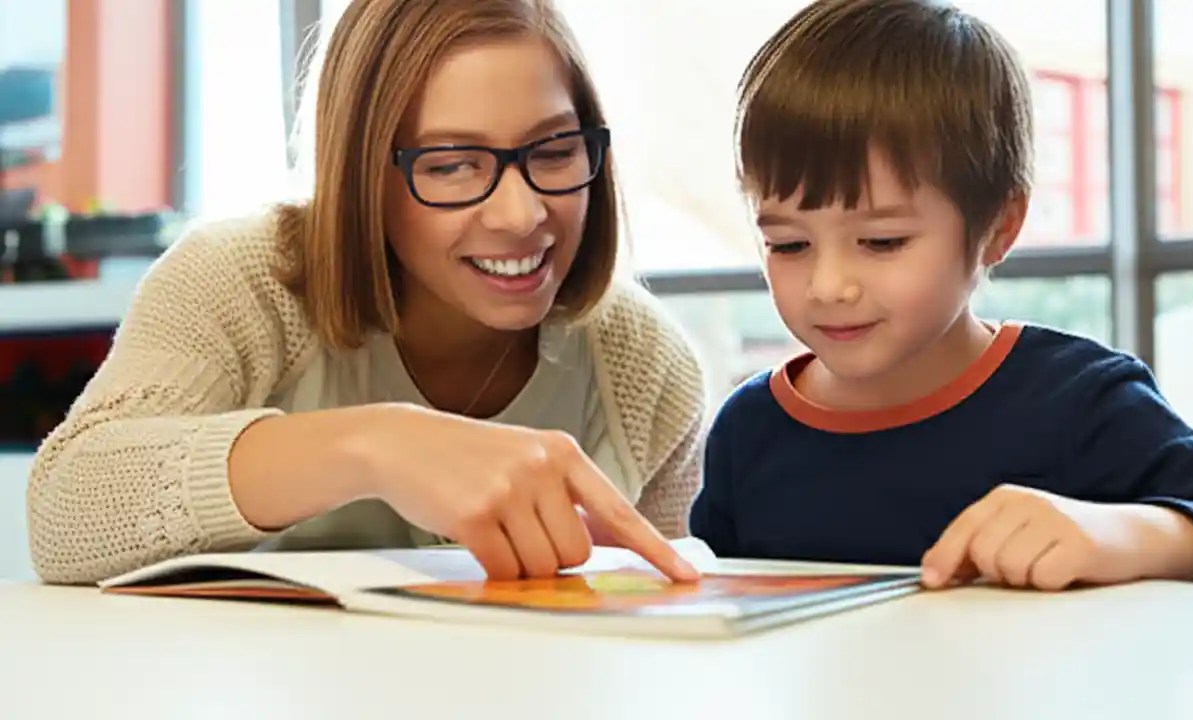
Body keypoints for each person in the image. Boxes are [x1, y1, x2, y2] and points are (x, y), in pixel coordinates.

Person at [27, 0, 704, 585]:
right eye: (452, 165)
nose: (520, 214)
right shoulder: (239, 282)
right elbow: (65, 512)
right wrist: (379, 447)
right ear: (360, 177)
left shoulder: (643, 366)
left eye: (554, 151)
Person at [690, 0, 1193, 591]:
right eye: (789, 245)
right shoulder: (750, 430)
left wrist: (1128, 533)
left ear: (998, 228)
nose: (827, 287)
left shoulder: (1081, 401)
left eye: (882, 240)